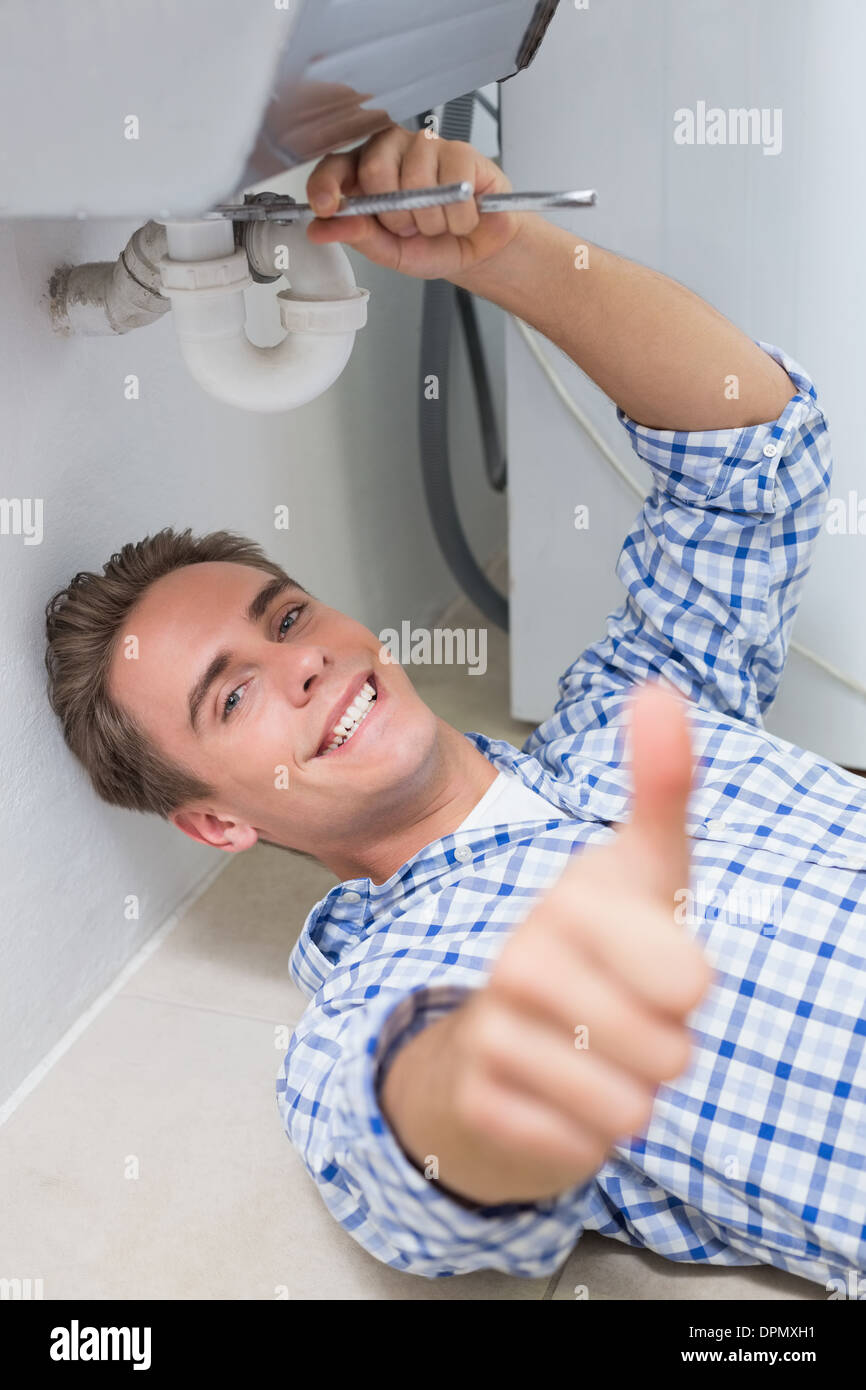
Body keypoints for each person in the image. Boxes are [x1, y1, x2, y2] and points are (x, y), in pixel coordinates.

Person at [44, 125, 865, 1286]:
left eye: (285, 620)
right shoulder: (374, 1005)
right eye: (234, 697)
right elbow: (415, 1175)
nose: (303, 666)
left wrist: (500, 252)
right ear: (218, 822)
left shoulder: (631, 716)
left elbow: (753, 452)